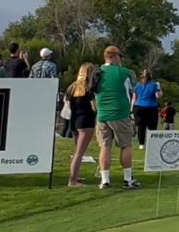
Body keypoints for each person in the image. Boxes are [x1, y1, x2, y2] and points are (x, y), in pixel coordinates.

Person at [93, 46, 140, 189]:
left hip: (102, 114)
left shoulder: (97, 72)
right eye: (119, 56)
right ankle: (127, 179)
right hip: (120, 114)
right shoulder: (123, 72)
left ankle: (105, 180)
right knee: (125, 145)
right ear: (114, 56)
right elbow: (133, 90)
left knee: (105, 147)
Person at [64, 62, 98, 187]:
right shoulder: (89, 89)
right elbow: (94, 107)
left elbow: (68, 105)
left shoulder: (72, 87)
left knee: (77, 151)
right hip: (86, 121)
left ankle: (75, 176)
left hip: (74, 120)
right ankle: (72, 181)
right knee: (79, 152)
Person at [132, 70, 162, 150]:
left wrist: (131, 109)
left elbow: (134, 98)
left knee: (141, 126)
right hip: (151, 107)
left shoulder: (137, 85)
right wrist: (159, 89)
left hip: (138, 106)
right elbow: (158, 96)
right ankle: (152, 143)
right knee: (152, 126)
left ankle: (141, 144)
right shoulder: (154, 85)